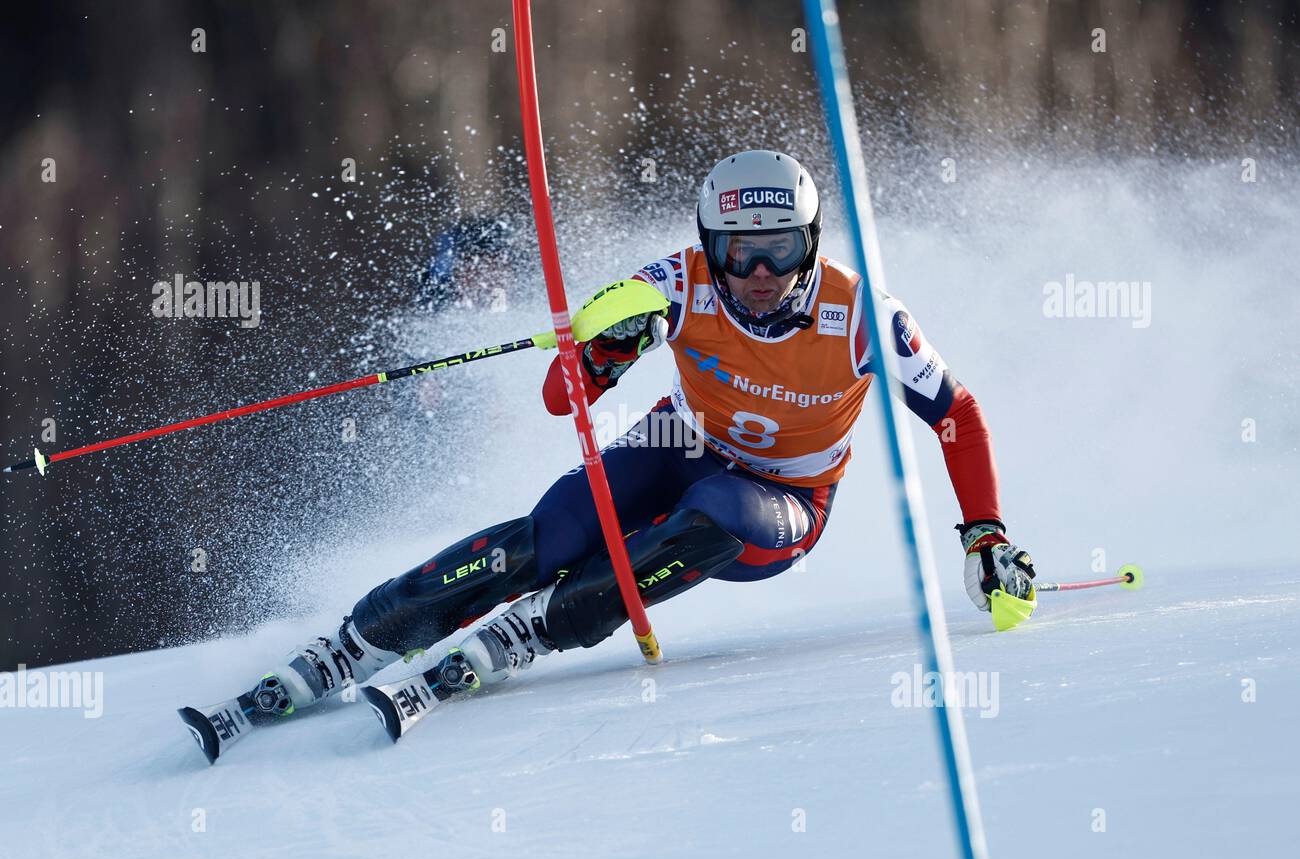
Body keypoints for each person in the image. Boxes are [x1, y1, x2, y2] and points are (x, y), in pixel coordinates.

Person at [234, 150, 1036, 725]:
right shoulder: (677, 281)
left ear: (813, 242)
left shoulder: (862, 315)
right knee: (548, 536)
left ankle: (540, 626)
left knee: (716, 510)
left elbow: (955, 415)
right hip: (679, 442)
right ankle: (365, 638)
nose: (759, 271)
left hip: (783, 497)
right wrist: (608, 355)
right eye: (738, 251)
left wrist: (985, 536)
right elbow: (560, 397)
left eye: (780, 248)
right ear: (708, 245)